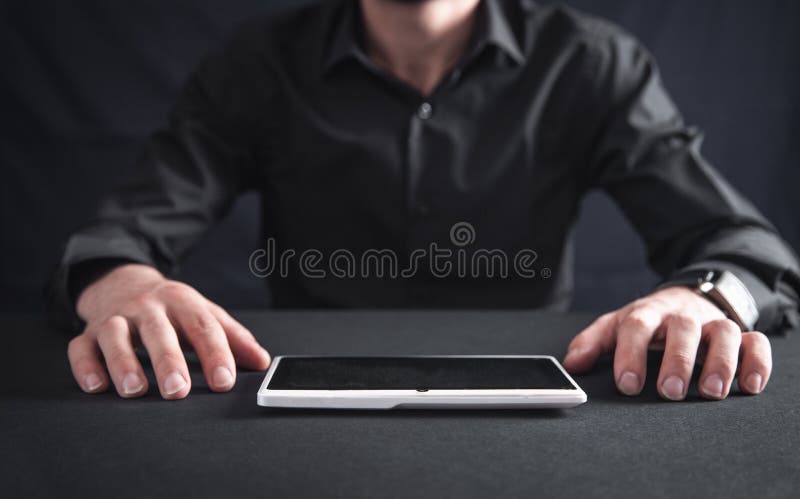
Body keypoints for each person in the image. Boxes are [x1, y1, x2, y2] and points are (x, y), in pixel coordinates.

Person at [49, 0, 799, 402]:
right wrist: (123, 283)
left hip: (537, 424)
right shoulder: (257, 64)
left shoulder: (591, 63)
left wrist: (703, 296)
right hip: (300, 425)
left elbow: (741, 247)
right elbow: (123, 235)